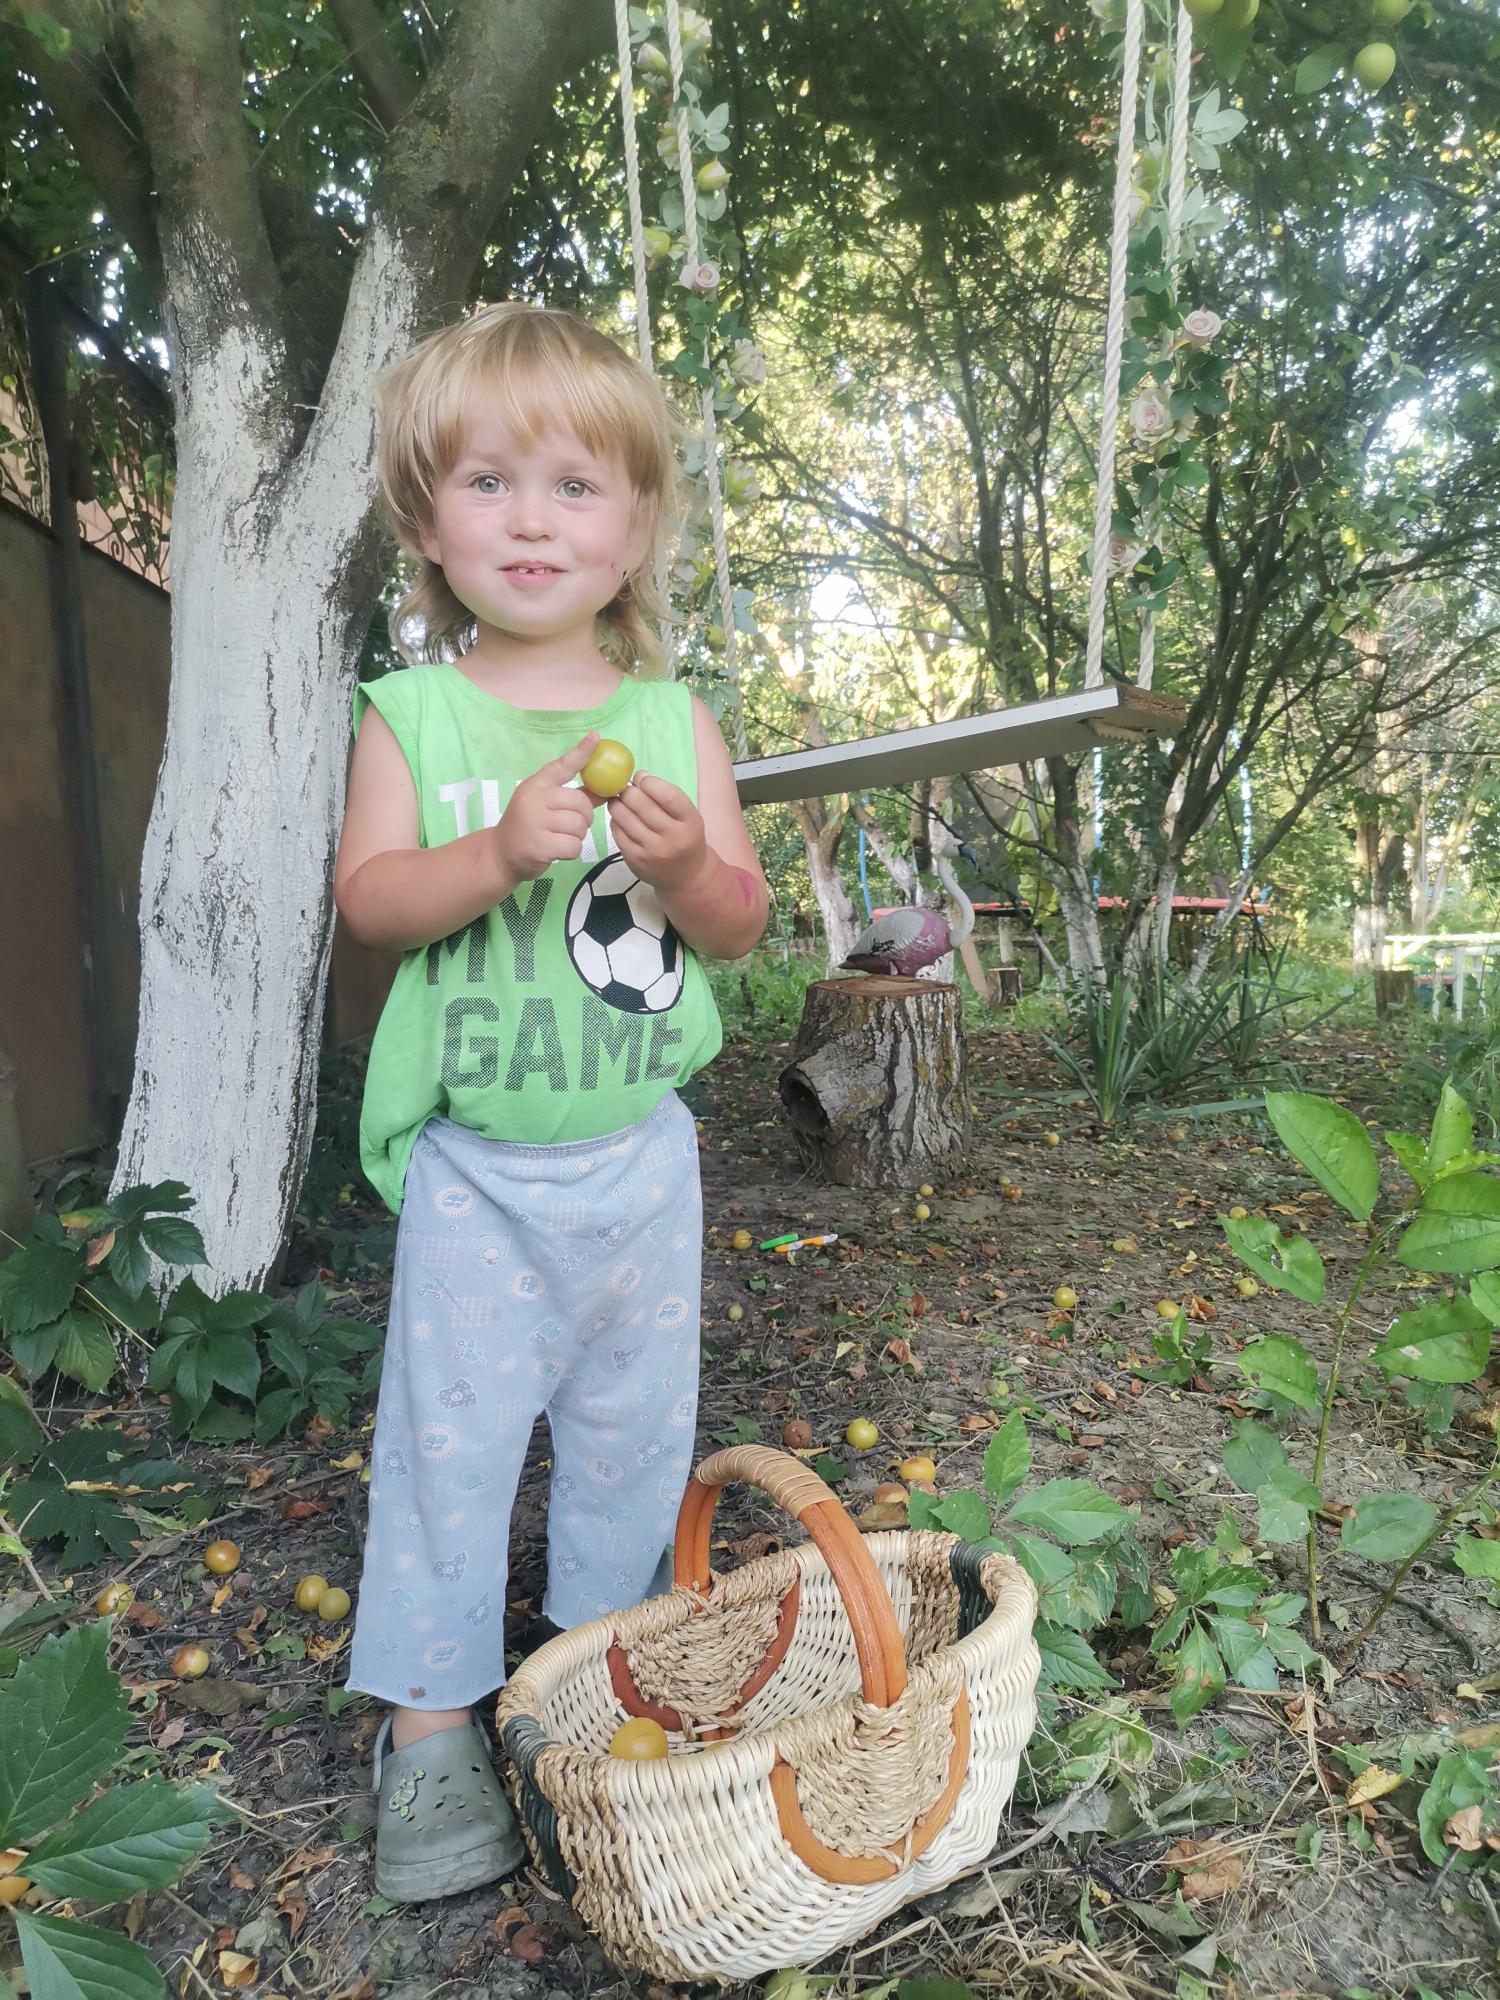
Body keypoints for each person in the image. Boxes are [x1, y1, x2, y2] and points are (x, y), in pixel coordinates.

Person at [333, 302, 768, 1902]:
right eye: (490, 483)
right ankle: (432, 1729)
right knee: (447, 1448)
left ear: (640, 522)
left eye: (578, 487)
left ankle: (583, 1686)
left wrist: (681, 865)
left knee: (630, 1439)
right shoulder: (414, 714)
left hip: (641, 1169)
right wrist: (503, 852)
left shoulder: (670, 725)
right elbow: (373, 904)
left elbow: (738, 926)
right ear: (424, 519)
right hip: (479, 1175)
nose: (533, 519)